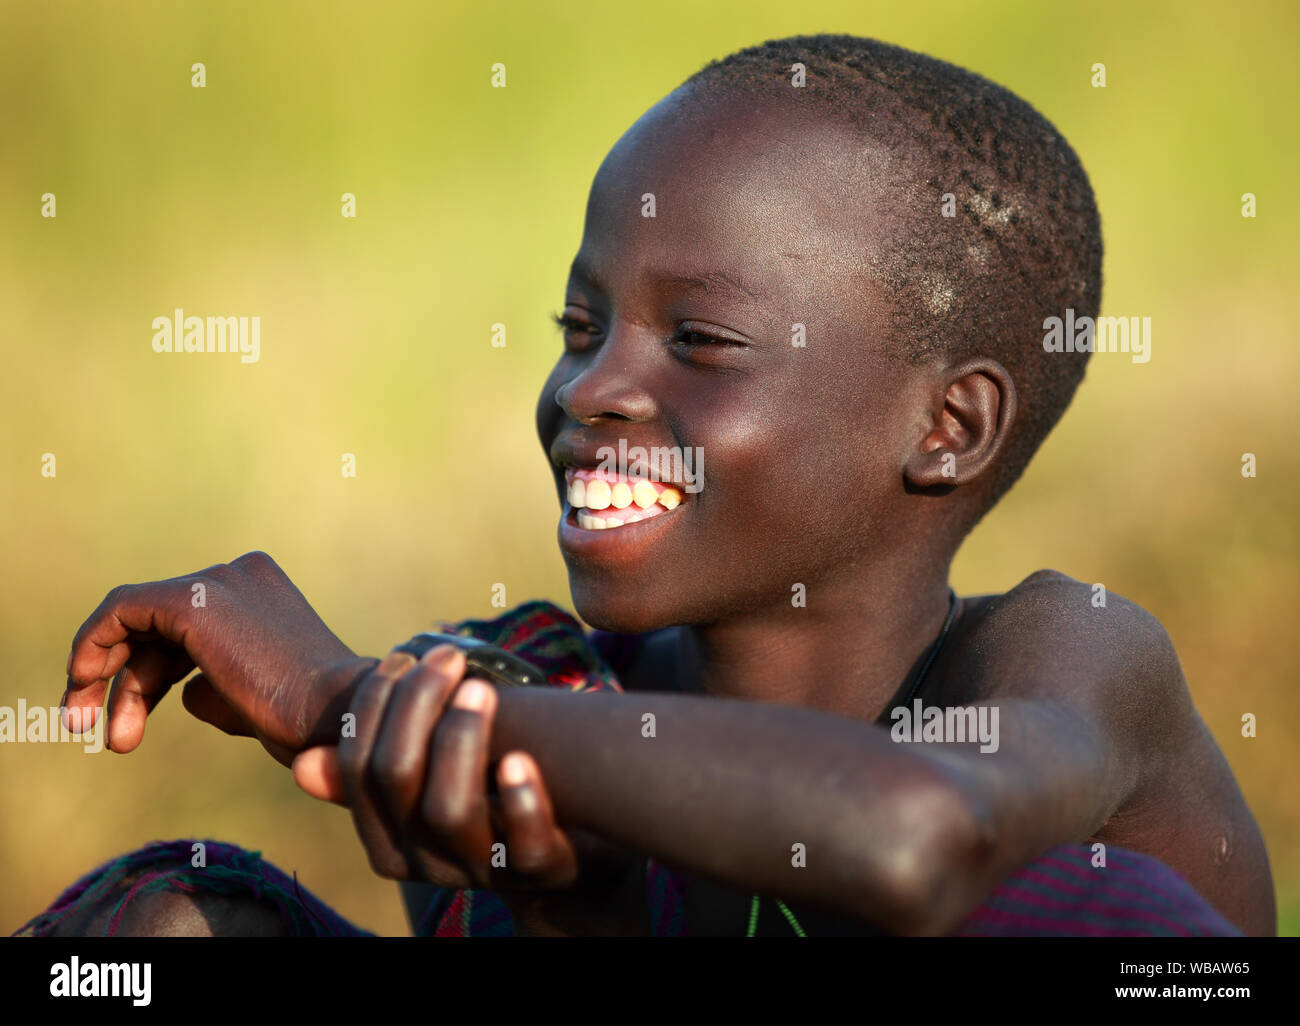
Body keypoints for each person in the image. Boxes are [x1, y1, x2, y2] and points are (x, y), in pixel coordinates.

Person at [24, 34, 1274, 937]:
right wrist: (579, 904)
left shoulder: (1068, 657)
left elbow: (917, 839)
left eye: (702, 343)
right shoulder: (533, 696)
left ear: (948, 424)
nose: (587, 392)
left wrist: (333, 692)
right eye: (580, 326)